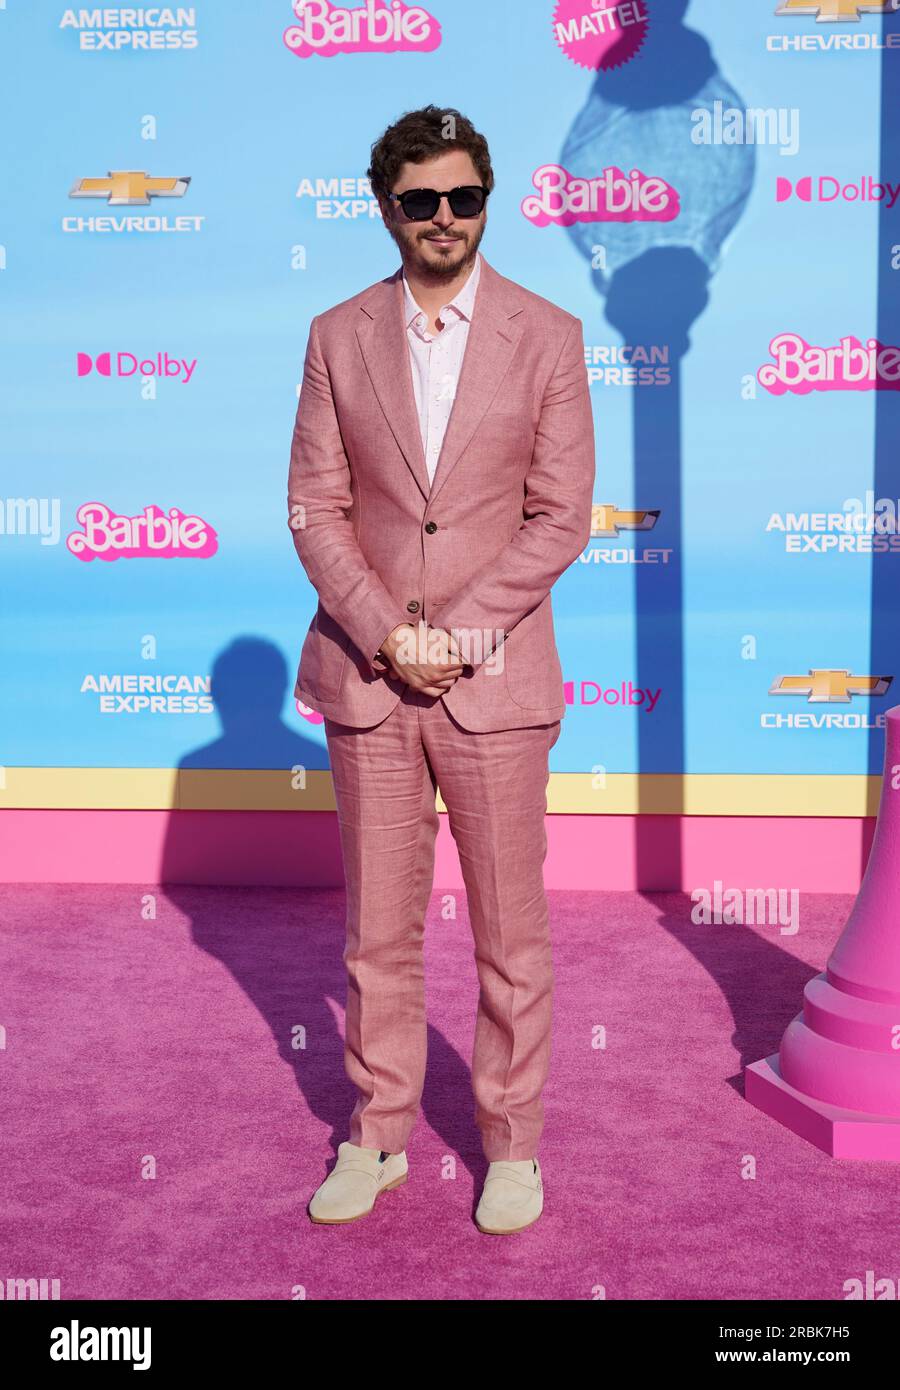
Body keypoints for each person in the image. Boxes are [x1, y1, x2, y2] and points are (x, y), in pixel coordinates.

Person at [287, 105, 595, 1234]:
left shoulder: (548, 333)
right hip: (369, 681)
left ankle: (512, 1144)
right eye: (422, 200)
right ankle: (377, 1134)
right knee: (378, 931)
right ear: (387, 208)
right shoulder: (334, 334)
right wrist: (386, 629)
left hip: (497, 685)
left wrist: (456, 635)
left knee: (512, 932)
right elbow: (314, 507)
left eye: (465, 197)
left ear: (487, 201)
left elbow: (559, 519)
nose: (445, 218)